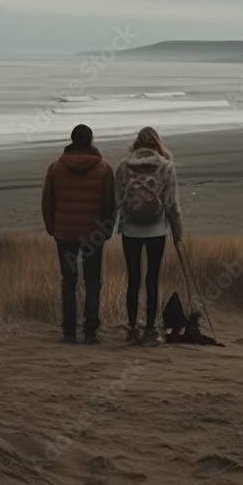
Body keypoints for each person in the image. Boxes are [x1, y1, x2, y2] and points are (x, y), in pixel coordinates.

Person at [41, 124, 115, 344]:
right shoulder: (104, 169)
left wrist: (51, 228)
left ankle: (69, 331)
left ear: (72, 140)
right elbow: (110, 203)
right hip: (94, 233)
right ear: (91, 141)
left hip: (65, 232)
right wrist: (107, 230)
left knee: (68, 281)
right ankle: (90, 331)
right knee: (92, 281)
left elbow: (47, 201)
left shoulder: (55, 168)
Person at [115, 126, 184, 343]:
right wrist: (177, 234)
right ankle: (151, 329)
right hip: (157, 230)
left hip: (130, 229)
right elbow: (172, 205)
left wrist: (113, 227)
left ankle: (132, 328)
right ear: (157, 143)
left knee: (133, 279)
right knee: (152, 278)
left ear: (136, 144)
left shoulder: (123, 166)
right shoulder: (166, 166)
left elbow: (117, 202)